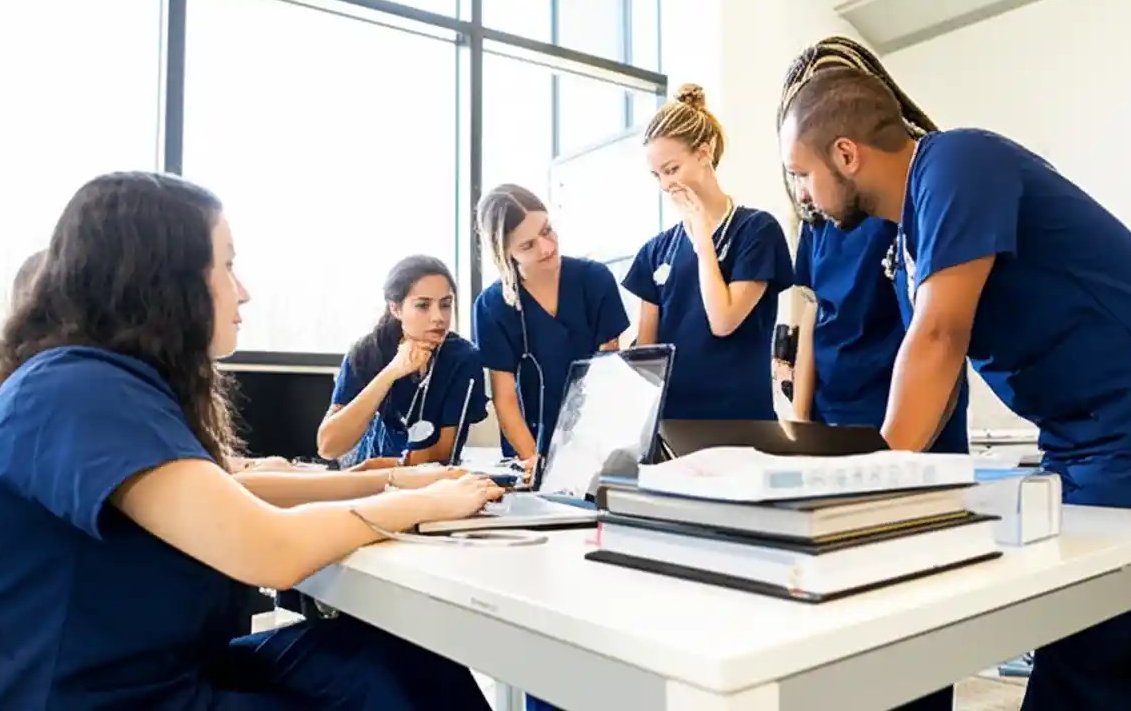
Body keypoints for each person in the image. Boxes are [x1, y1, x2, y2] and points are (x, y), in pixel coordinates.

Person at [0, 171, 502, 710]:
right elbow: (272, 549)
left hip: (155, 670)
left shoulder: (102, 383)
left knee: (405, 666)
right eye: (228, 265)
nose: (243, 291)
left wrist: (391, 481)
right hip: (97, 695)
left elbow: (230, 493)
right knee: (390, 687)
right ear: (164, 278)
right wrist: (421, 502)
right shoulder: (77, 390)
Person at [779, 67, 1131, 710]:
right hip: (1084, 438)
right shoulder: (910, 236)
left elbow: (939, 340)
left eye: (801, 173)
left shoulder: (957, 162)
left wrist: (862, 493)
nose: (801, 193)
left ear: (845, 155)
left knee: (1090, 664)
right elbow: (931, 377)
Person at [779, 37, 969, 457]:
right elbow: (814, 314)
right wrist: (799, 422)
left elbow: (938, 334)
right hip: (834, 414)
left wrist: (893, 463)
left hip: (903, 413)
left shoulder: (914, 198)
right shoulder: (821, 220)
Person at [622, 83, 795, 422]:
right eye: (657, 175)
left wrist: (702, 239)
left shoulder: (756, 230)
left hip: (742, 424)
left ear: (704, 153)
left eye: (671, 170)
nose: (665, 185)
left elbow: (723, 321)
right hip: (674, 425)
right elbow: (648, 356)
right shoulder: (654, 252)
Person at [472, 184, 629, 476]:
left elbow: (608, 380)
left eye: (547, 231)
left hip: (596, 443)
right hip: (530, 450)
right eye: (527, 245)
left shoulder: (595, 281)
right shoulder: (493, 307)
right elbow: (504, 399)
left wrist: (593, 453)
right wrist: (536, 463)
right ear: (504, 252)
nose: (547, 247)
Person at [317, 255, 489, 470]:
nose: (439, 317)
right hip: (360, 480)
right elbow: (328, 447)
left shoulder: (462, 358)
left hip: (426, 486)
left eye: (445, 304)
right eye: (423, 305)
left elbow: (443, 453)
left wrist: (378, 467)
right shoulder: (365, 353)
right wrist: (391, 372)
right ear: (396, 308)